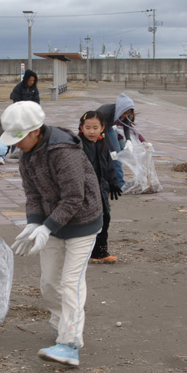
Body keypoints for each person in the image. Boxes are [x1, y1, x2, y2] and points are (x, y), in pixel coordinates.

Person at [2, 101, 103, 368]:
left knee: (71, 283)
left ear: (36, 131)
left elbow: (73, 198)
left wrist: (46, 227)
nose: (16, 144)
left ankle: (69, 345)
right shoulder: (26, 156)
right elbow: (33, 194)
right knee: (48, 282)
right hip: (52, 221)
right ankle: (63, 327)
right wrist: (33, 224)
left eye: (19, 137)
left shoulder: (63, 151)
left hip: (83, 222)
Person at [78, 110, 121, 264]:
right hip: (85, 191)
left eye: (95, 128)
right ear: (82, 127)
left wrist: (113, 182)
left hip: (101, 189)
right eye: (88, 127)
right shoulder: (78, 145)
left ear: (102, 128)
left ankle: (100, 252)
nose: (91, 131)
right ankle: (82, 252)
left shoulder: (102, 143)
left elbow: (109, 165)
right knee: (87, 222)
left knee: (105, 218)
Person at [97, 92, 143, 190]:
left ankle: (119, 184)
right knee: (101, 156)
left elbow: (126, 127)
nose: (125, 115)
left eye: (128, 113)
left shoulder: (125, 113)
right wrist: (112, 149)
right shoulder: (105, 112)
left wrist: (128, 140)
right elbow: (103, 132)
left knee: (117, 157)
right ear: (120, 108)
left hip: (108, 128)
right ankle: (100, 182)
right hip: (96, 129)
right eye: (124, 113)